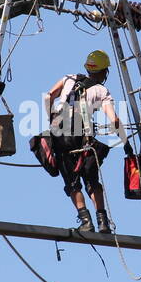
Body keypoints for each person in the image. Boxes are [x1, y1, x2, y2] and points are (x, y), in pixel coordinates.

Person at [44, 50, 125, 234]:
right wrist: (124, 141)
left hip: (60, 133)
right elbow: (114, 121)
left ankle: (85, 221)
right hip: (82, 136)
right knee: (91, 179)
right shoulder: (101, 90)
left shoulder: (69, 79)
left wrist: (50, 118)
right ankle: (102, 221)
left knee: (72, 181)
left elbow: (49, 96)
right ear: (104, 72)